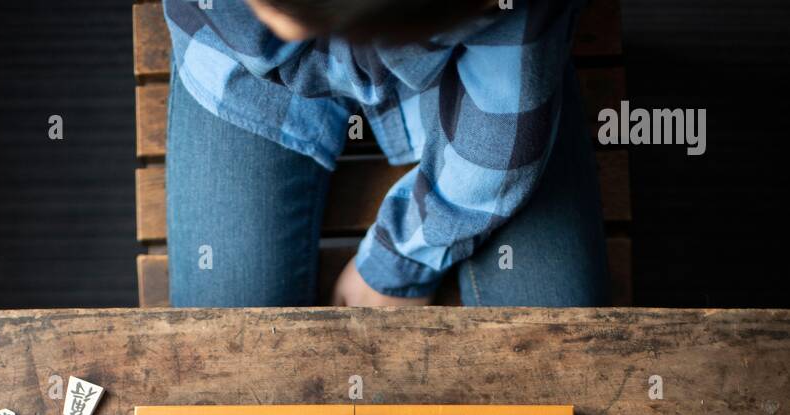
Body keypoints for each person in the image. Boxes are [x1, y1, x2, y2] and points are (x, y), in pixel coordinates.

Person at [164, 0, 610, 308]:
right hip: (230, 63)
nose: (286, 28)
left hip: (452, 57)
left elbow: (502, 134)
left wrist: (401, 260)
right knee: (224, 358)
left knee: (552, 350)